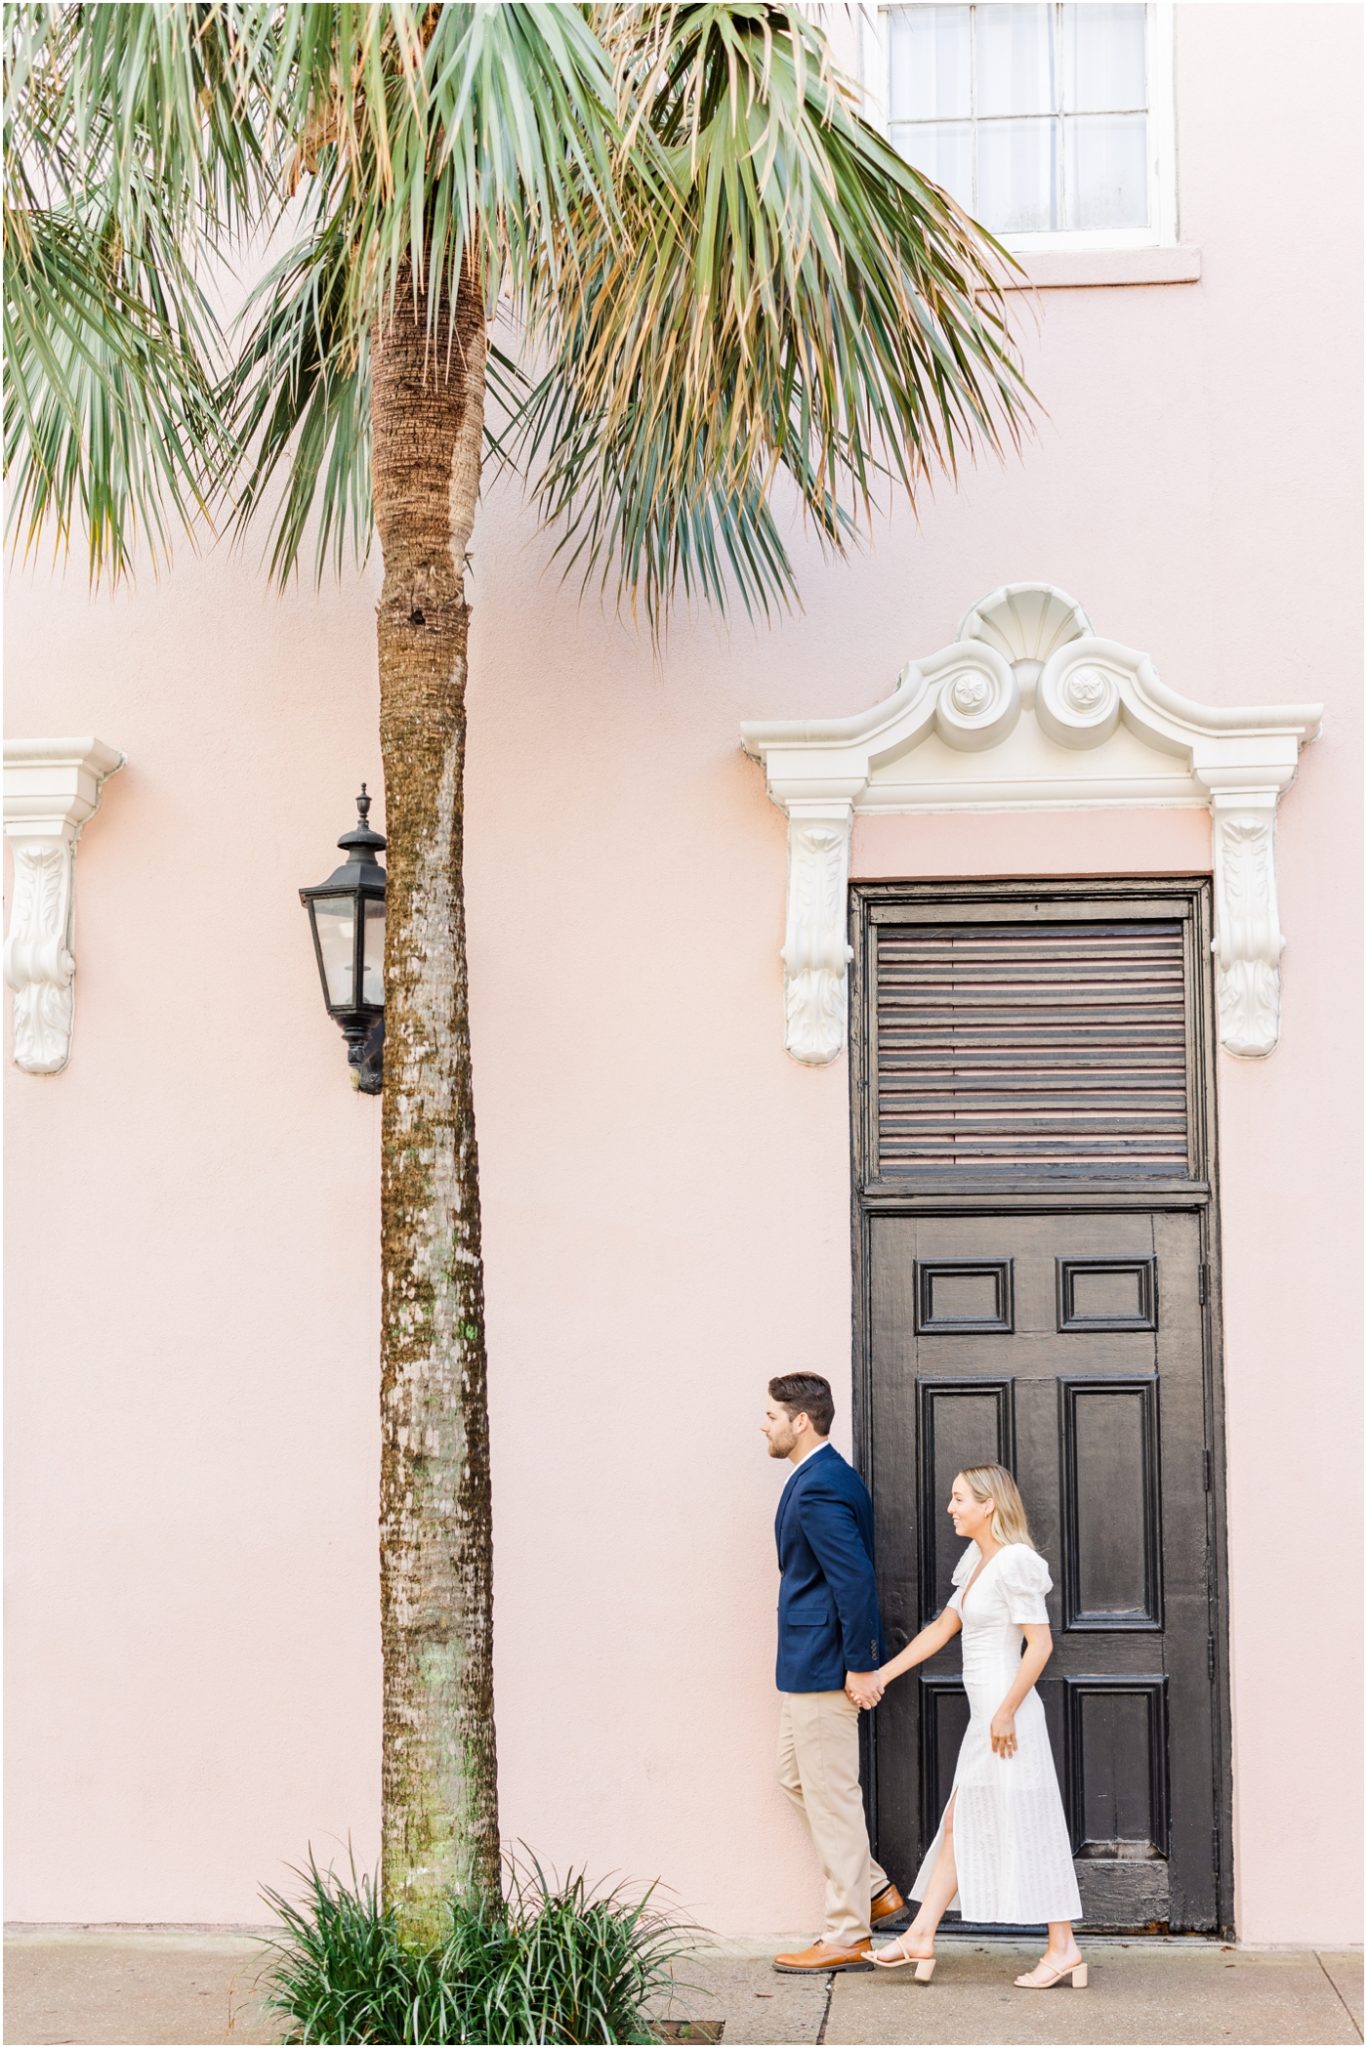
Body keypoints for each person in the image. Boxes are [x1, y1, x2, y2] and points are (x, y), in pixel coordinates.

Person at [869, 1464, 1087, 1991]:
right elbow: (942, 1629)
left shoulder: (1014, 1561)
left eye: (960, 1498)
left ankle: (1061, 1948)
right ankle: (926, 1936)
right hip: (987, 1717)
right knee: (961, 1823)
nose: (951, 1508)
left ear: (989, 1505)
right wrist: (883, 1674)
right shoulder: (978, 1562)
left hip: (1006, 1719)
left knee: (1020, 1820)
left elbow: (1040, 1644)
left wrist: (1008, 1710)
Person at [762, 1373, 907, 1973]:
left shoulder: (821, 1485)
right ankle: (874, 1890)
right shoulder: (817, 1477)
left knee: (834, 1798)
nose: (764, 1424)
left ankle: (848, 1932)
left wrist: (860, 1666)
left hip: (825, 1666)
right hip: (807, 1663)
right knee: (794, 1779)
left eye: (772, 1415)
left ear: (801, 1421)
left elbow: (853, 1580)